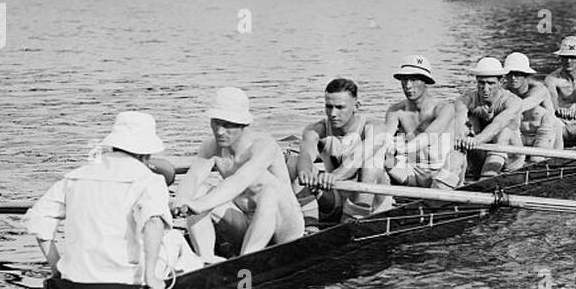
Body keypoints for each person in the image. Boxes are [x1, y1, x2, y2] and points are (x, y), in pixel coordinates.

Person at [23, 111, 201, 289]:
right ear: (147, 153)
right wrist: (151, 277)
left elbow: (39, 219)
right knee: (175, 238)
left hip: (73, 281)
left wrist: (57, 269)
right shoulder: (150, 180)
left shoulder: (75, 176)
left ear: (114, 145)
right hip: (123, 284)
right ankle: (197, 287)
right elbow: (153, 223)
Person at [174, 87, 306, 258]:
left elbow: (240, 180)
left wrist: (200, 205)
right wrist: (181, 200)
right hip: (246, 223)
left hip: (284, 227)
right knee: (198, 192)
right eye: (216, 122)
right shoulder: (210, 147)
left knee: (269, 192)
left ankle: (246, 261)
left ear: (244, 125)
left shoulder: (264, 146)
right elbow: (192, 178)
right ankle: (205, 260)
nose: (220, 131)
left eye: (227, 125)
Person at [294, 77, 391, 221]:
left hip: (373, 201)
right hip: (337, 196)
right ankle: (310, 225)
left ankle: (354, 218)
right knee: (294, 163)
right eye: (329, 106)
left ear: (356, 106)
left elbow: (358, 157)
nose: (332, 113)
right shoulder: (315, 129)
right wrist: (305, 172)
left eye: (340, 107)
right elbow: (306, 153)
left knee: (371, 164)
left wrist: (335, 175)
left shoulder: (375, 128)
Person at [383, 55, 467, 189]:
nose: (408, 86)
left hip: (440, 172)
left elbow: (429, 136)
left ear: (425, 81)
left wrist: (401, 149)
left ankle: (437, 194)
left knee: (456, 157)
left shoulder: (444, 108)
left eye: (413, 79)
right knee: (378, 158)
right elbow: (386, 137)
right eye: (404, 80)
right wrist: (385, 146)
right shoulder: (395, 111)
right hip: (409, 173)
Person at [500, 52, 563, 165]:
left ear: (526, 75)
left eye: (518, 74)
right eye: (509, 74)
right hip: (520, 137)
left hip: (544, 134)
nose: (513, 78)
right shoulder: (503, 92)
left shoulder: (539, 90)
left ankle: (539, 159)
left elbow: (521, 106)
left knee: (536, 161)